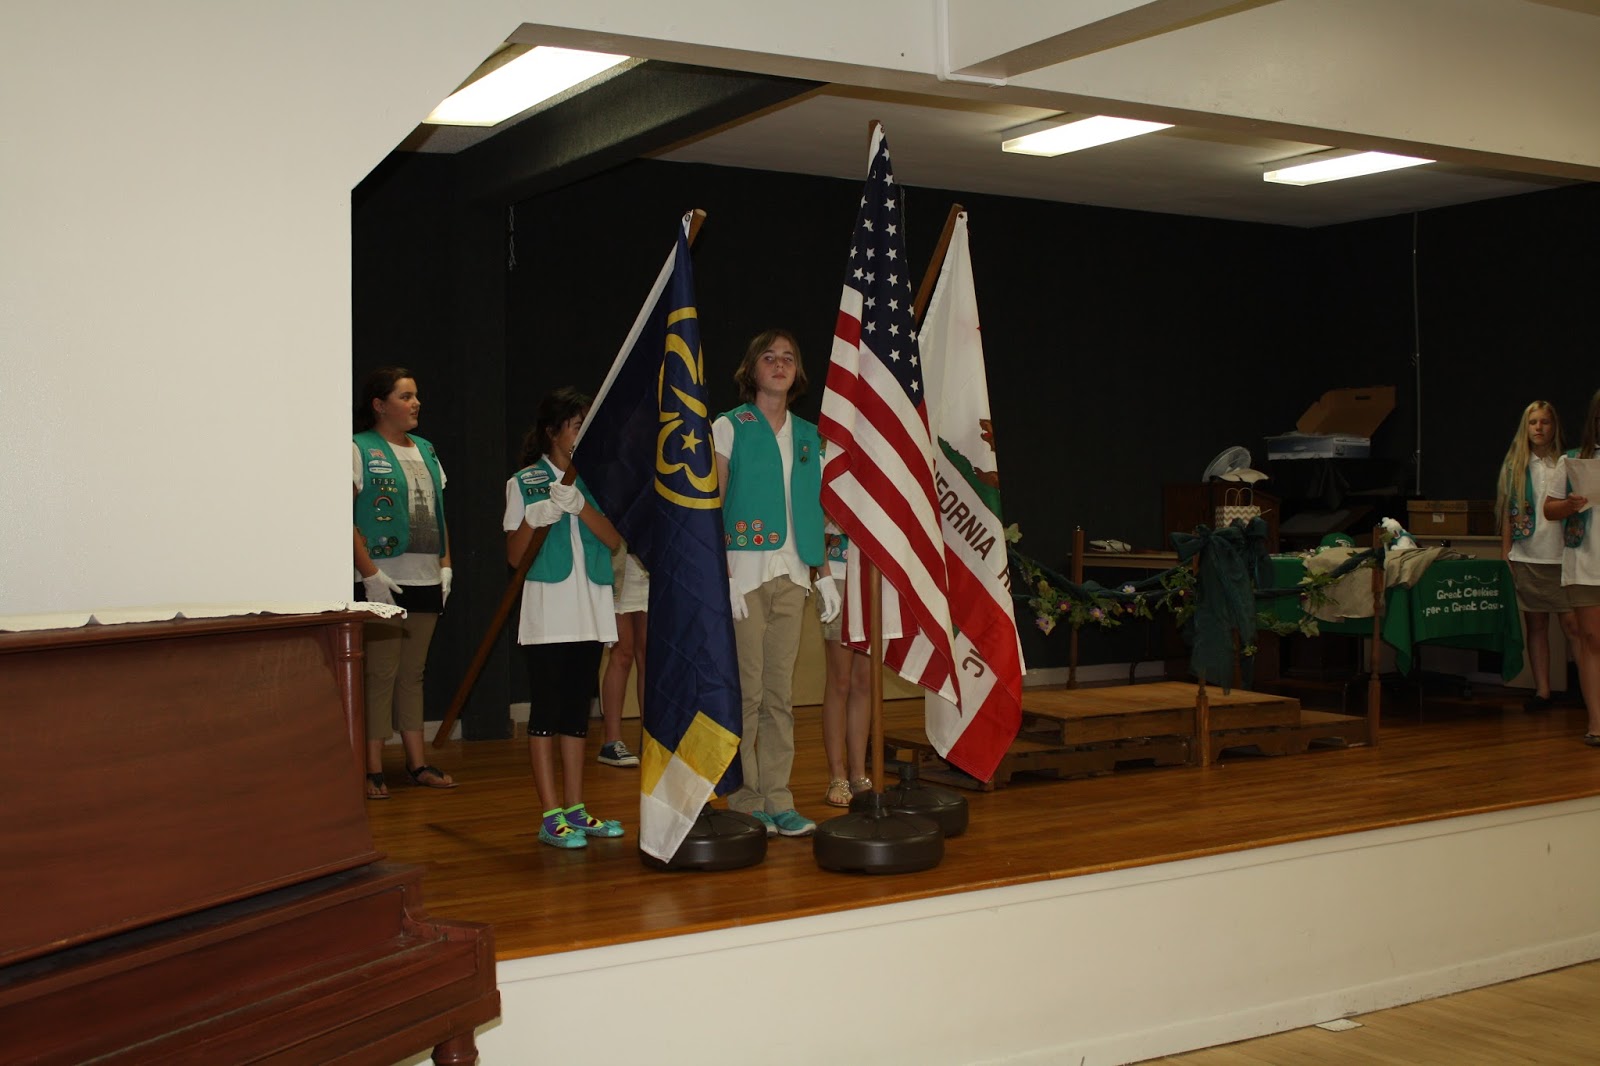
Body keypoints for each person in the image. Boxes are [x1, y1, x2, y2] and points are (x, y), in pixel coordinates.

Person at [713, 328, 841, 837]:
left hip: (793, 573)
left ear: (798, 373)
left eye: (789, 357)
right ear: (752, 369)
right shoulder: (729, 426)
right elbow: (713, 504)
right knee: (746, 692)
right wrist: (719, 573)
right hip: (743, 575)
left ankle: (779, 797)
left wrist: (825, 575)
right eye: (769, 356)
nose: (780, 364)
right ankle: (746, 799)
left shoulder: (811, 436)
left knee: (779, 695)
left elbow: (814, 512)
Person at [503, 387, 627, 848]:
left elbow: (613, 540)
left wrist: (580, 506)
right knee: (546, 712)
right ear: (554, 432)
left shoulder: (597, 477)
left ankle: (576, 809)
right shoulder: (524, 482)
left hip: (590, 606)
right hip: (548, 610)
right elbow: (515, 557)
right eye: (577, 426)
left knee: (577, 713)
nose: (583, 434)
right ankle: (550, 813)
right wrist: (536, 517)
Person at [352, 367, 455, 799]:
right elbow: (341, 517)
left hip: (425, 576)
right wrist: (369, 574)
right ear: (380, 404)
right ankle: (371, 766)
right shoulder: (358, 449)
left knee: (413, 673)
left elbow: (439, 513)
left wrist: (446, 565)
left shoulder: (427, 450)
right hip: (382, 579)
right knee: (380, 672)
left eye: (416, 395)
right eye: (405, 396)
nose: (415, 403)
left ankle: (417, 762)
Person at [1498, 400, 1576, 713]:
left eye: (1545, 422)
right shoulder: (1515, 465)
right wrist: (1506, 551)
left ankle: (1582, 687)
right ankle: (1543, 691)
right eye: (1533, 423)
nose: (1539, 428)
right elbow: (1506, 511)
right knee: (1536, 626)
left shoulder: (1567, 462)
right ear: (1525, 428)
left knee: (1574, 626)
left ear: (1554, 426)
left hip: (1564, 555)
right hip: (1528, 554)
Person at [1542, 388, 1600, 747]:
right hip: (1585, 563)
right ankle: (1596, 723)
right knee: (1592, 640)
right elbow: (1549, 509)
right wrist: (1571, 505)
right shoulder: (1574, 461)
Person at [820, 520, 872, 807]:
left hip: (875, 576)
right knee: (840, 679)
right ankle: (837, 773)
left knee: (863, 681)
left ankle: (858, 772)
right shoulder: (828, 471)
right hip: (837, 575)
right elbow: (818, 522)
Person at [597, 548, 647, 768]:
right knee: (622, 652)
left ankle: (650, 737)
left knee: (649, 654)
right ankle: (612, 742)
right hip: (618, 562)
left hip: (650, 564)